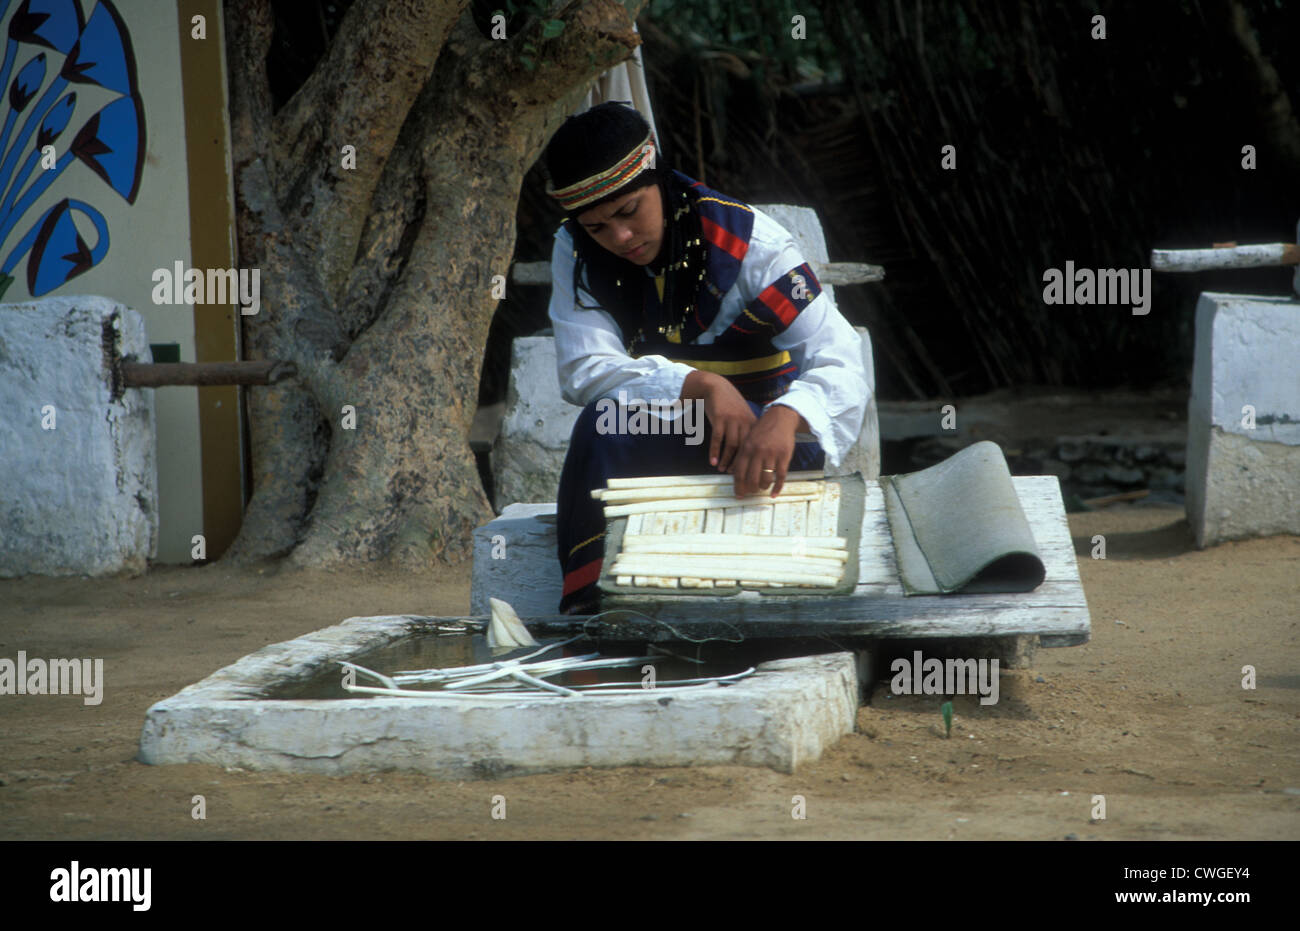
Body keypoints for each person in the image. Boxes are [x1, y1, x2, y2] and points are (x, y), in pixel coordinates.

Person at [543, 102, 869, 613]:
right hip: (673, 430)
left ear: (660, 179)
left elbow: (841, 358)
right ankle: (597, 611)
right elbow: (585, 369)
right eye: (598, 226)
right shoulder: (575, 249)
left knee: (778, 437)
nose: (619, 238)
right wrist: (701, 386)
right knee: (602, 425)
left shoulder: (751, 242)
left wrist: (786, 417)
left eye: (629, 212)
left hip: (764, 447)